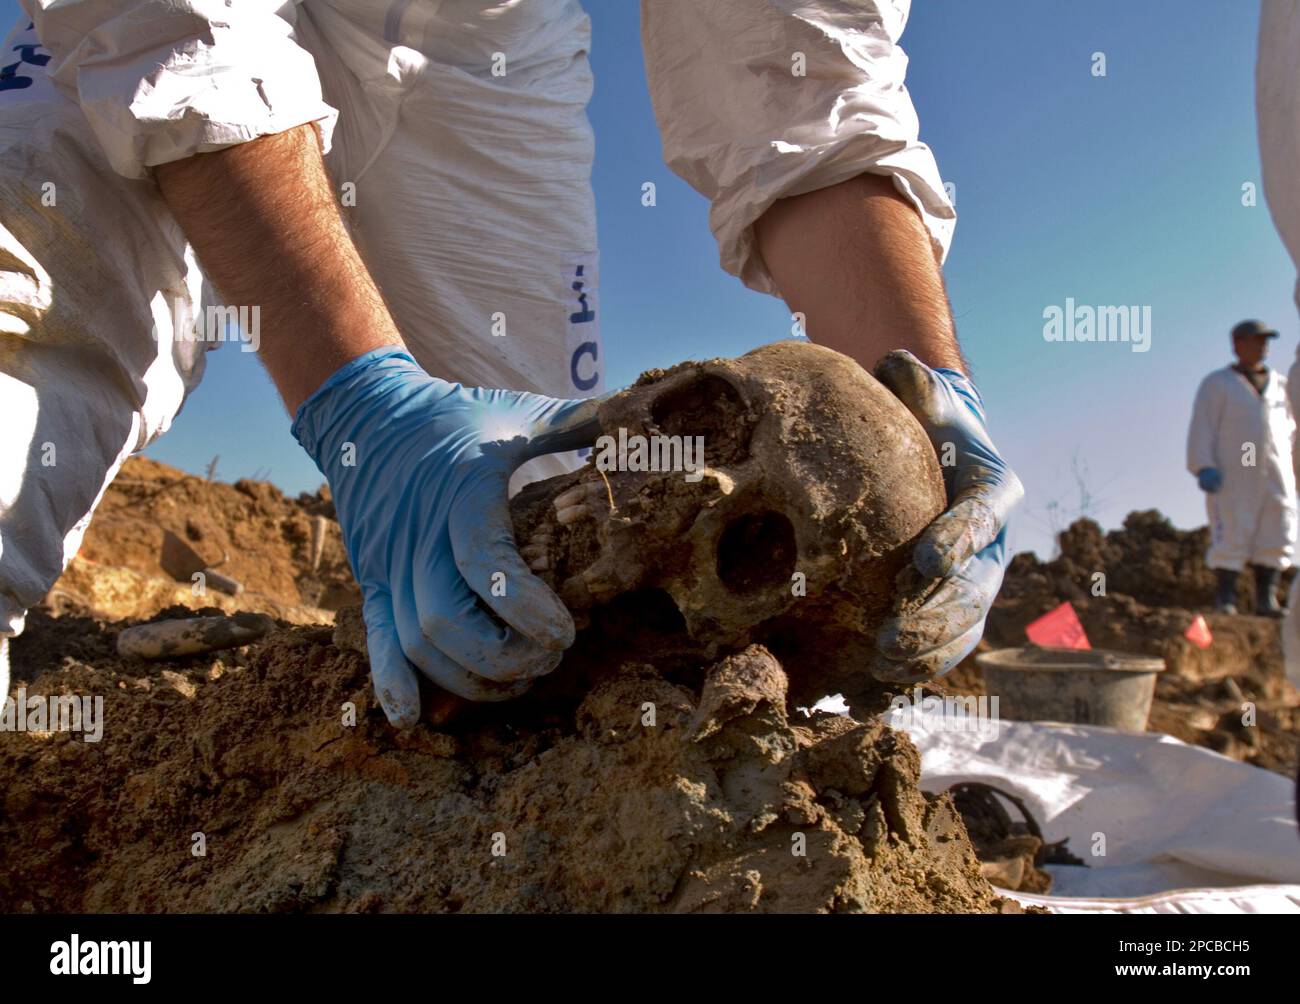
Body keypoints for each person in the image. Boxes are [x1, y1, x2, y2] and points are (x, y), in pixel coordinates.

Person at [0, 1, 1022, 725]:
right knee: (31, 284)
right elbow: (171, 25)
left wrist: (922, 385)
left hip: (493, 46)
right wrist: (358, 395)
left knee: (515, 565)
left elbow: (797, 70)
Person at [1187, 320, 1296, 616]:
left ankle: (1267, 599)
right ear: (1236, 344)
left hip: (1277, 470)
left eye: (1264, 341)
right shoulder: (1218, 384)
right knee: (1233, 528)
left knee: (1278, 528)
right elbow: (1202, 426)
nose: (1260, 347)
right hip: (1236, 471)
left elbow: (1294, 430)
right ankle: (1226, 598)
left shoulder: (1283, 387)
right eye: (1253, 341)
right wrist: (1203, 465)